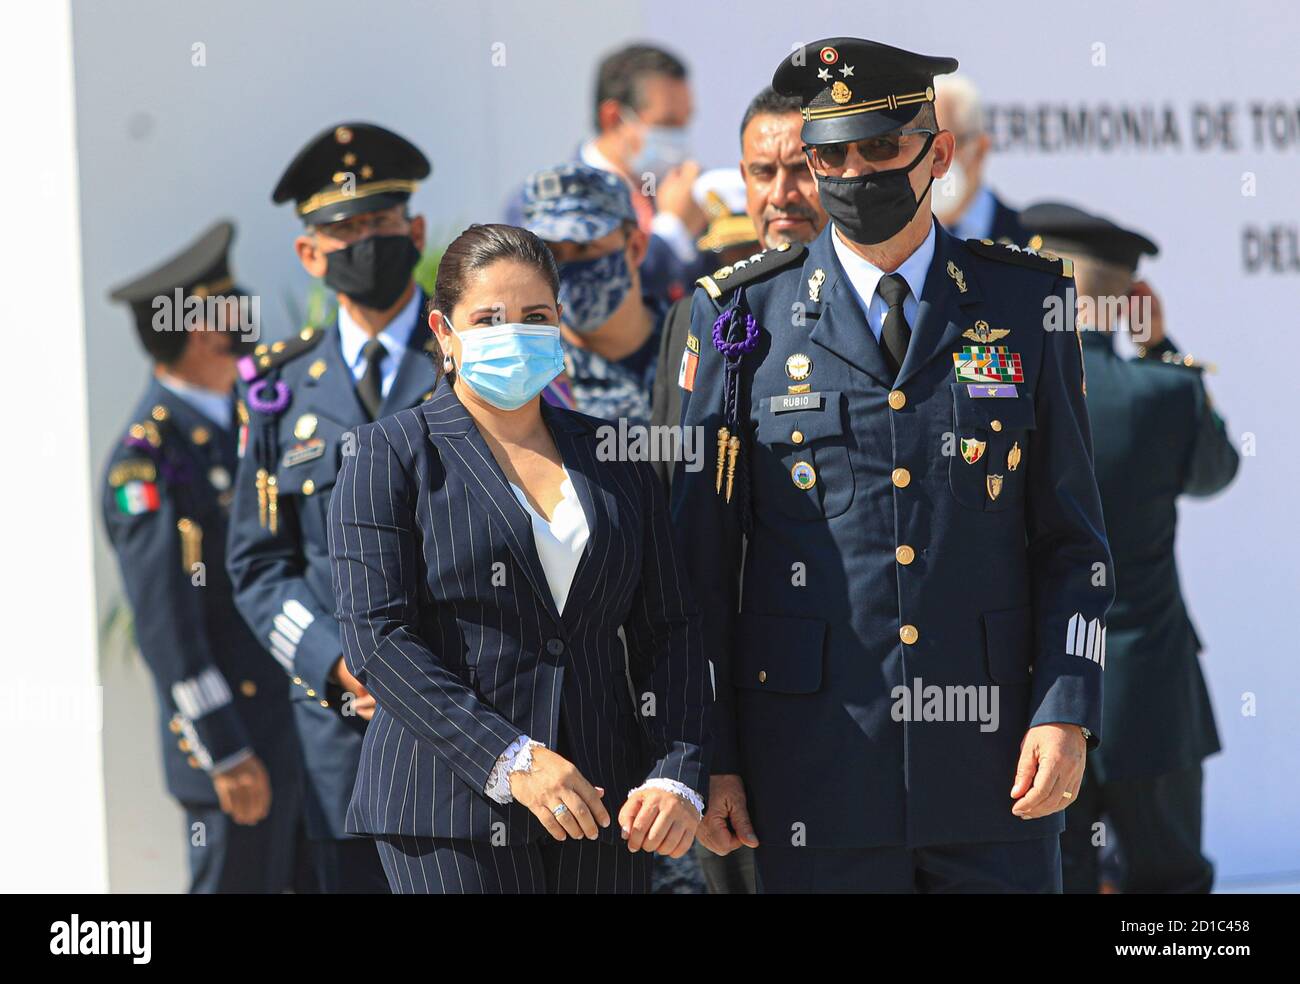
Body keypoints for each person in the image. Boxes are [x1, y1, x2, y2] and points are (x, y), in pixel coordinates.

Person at [672, 37, 1114, 893]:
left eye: (880, 147)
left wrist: (1067, 712)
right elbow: (701, 565)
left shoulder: (1029, 302)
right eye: (829, 153)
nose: (853, 172)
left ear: (937, 152)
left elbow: (1075, 544)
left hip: (996, 776)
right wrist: (711, 756)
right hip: (813, 775)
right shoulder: (741, 317)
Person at [327, 223, 709, 894]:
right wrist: (512, 759)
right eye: (489, 318)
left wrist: (676, 768)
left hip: (600, 804)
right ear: (445, 332)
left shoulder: (617, 453)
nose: (514, 333)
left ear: (558, 322)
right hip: (450, 810)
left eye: (534, 316)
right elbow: (378, 641)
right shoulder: (389, 453)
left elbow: (669, 627)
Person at [226, 122, 439, 893]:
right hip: (344, 739)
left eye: (380, 224)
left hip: (472, 723)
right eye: (342, 230)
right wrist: (336, 665)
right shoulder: (277, 392)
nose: (364, 242)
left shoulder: (469, 364)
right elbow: (257, 567)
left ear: (415, 231)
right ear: (309, 255)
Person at [1022, 203, 1239, 894]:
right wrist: (1159, 345)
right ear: (1126, 302)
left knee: (1057, 878)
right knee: (1171, 887)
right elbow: (1216, 473)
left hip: (1040, 695)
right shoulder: (1167, 392)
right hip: (1150, 692)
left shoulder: (999, 390)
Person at [103, 221, 304, 892]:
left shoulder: (250, 419)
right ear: (201, 330)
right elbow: (168, 625)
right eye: (231, 305)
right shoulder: (148, 461)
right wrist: (225, 746)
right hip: (236, 741)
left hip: (291, 725)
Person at [651, 86, 829, 488]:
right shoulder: (700, 311)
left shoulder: (873, 300)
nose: (781, 195)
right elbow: (671, 473)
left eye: (802, 170)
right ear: (745, 176)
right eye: (764, 173)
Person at [505, 43, 706, 306]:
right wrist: (672, 232)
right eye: (667, 123)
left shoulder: (684, 193)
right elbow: (579, 296)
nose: (681, 137)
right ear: (614, 118)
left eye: (685, 122)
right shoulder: (539, 202)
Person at [520, 163, 662, 426]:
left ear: (635, 248)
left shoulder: (692, 346)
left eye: (584, 248)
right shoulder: (530, 376)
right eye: (550, 253)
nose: (566, 269)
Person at [932, 75, 1026, 245]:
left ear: (980, 150)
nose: (931, 161)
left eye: (943, 147)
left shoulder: (1028, 242)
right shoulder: (896, 246)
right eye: (922, 147)